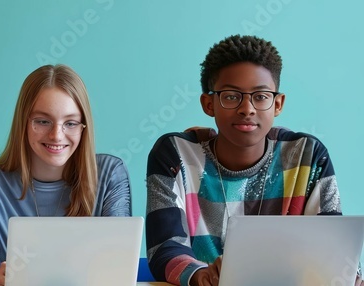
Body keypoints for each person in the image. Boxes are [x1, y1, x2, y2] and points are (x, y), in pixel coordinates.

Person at [145, 34, 359, 286]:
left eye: (260, 96)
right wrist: (201, 275)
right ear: (208, 103)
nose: (247, 108)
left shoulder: (307, 156)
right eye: (231, 96)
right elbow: (164, 247)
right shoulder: (175, 155)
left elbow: (332, 246)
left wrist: (345, 273)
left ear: (277, 104)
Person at [0, 64, 131, 286]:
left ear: (83, 127)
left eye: (70, 123)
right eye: (42, 121)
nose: (56, 135)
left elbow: (116, 262)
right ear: (23, 122)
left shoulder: (110, 174)